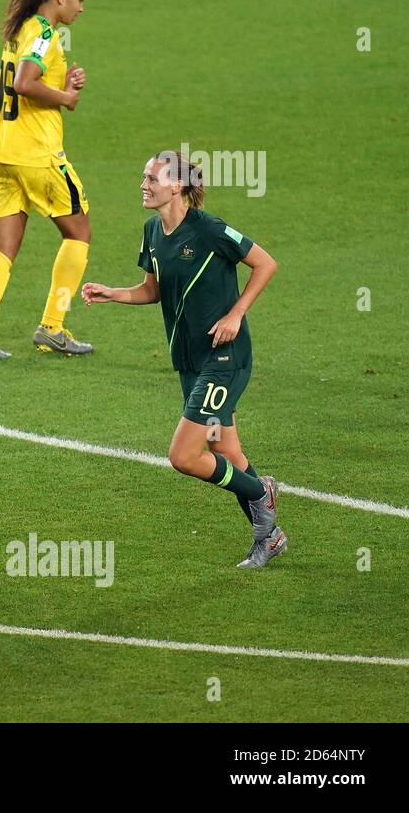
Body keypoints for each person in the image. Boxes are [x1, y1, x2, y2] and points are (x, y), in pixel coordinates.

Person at [80, 152, 285, 568]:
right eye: (143, 176)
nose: (143, 184)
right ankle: (270, 536)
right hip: (189, 360)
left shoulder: (209, 230)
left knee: (184, 456)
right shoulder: (152, 230)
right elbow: (151, 290)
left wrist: (236, 313)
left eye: (152, 178)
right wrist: (113, 293)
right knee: (225, 449)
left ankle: (259, 492)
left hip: (224, 358)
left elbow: (265, 263)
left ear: (176, 186)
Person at [0, 0, 93, 360]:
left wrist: (61, 89)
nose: (81, 8)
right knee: (79, 232)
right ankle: (52, 327)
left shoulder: (19, 31)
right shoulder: (44, 34)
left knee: (3, 245)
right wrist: (67, 98)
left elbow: (29, 85)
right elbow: (24, 83)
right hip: (34, 155)